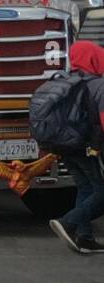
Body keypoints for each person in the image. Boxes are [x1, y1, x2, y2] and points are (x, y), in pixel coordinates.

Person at [49, 40, 104, 253]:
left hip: (63, 145)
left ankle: (85, 238)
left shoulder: (64, 82)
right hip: (85, 146)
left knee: (85, 187)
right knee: (101, 192)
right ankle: (68, 222)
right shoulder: (98, 85)